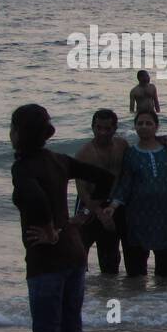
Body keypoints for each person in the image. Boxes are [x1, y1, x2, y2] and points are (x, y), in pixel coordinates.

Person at [9, 104, 113, 332]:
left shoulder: (22, 167)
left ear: (20, 133)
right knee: (72, 328)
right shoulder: (58, 160)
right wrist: (85, 212)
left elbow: (36, 198)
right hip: (74, 252)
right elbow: (104, 177)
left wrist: (50, 231)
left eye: (12, 128)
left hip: (46, 257)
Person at [101, 110, 167, 278]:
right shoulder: (131, 153)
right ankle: (139, 302)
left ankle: (166, 302)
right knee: (137, 269)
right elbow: (125, 184)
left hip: (166, 215)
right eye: (140, 123)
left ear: (156, 126)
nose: (144, 127)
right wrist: (113, 206)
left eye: (148, 123)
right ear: (135, 127)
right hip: (138, 215)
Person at [74, 110, 128, 275]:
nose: (102, 132)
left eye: (107, 128)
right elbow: (82, 191)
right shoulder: (84, 154)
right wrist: (99, 214)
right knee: (79, 253)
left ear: (115, 128)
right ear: (92, 127)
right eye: (98, 128)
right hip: (89, 204)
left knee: (110, 257)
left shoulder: (122, 146)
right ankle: (80, 295)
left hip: (113, 204)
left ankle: (107, 294)